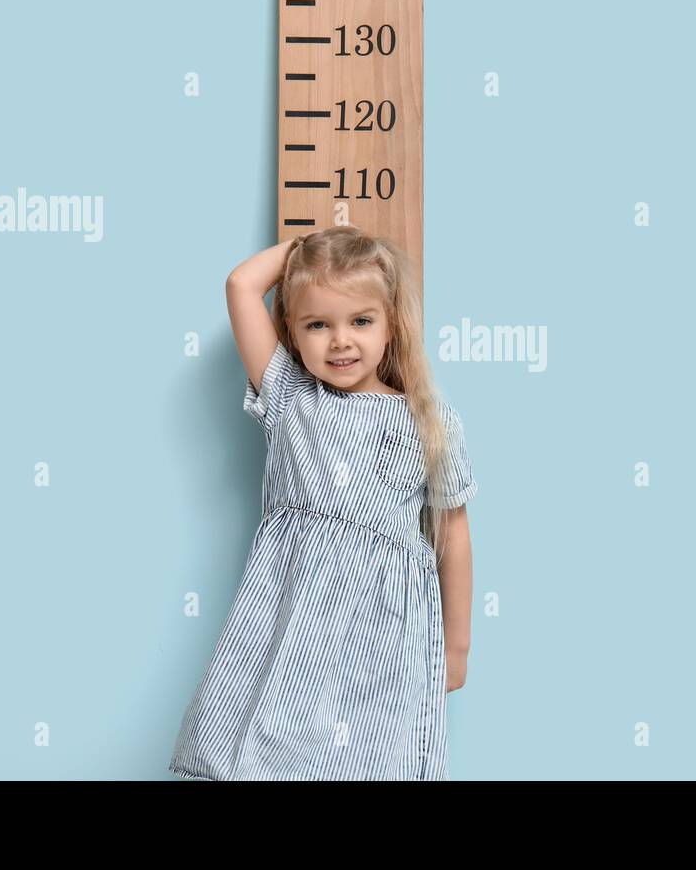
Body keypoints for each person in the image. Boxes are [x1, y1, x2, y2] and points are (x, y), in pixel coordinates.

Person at [168, 226, 478, 780]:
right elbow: (241, 285)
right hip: (296, 611)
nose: (340, 341)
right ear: (291, 329)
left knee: (372, 752)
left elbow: (452, 531)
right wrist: (308, 251)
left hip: (388, 625)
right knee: (275, 741)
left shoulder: (429, 421)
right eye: (318, 324)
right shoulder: (290, 396)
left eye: (361, 321)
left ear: (391, 324)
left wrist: (457, 644)